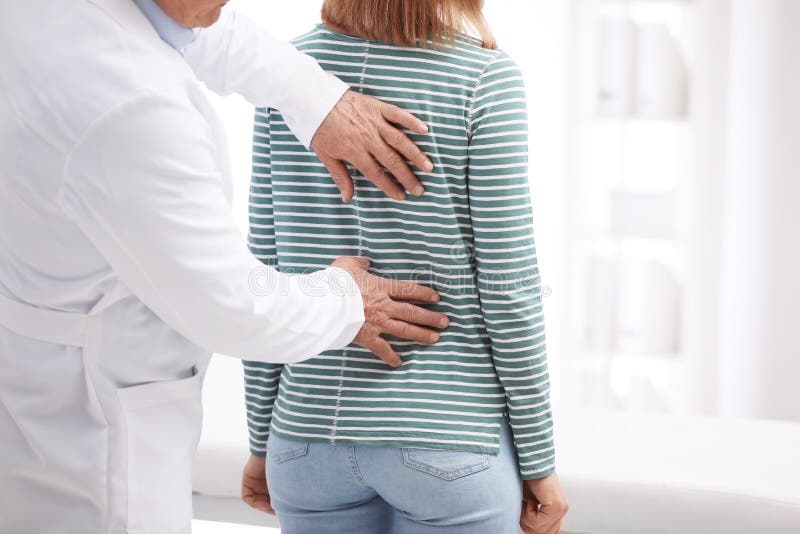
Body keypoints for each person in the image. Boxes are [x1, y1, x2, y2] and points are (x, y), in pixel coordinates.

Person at [0, 0, 450, 532]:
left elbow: (197, 27)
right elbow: (235, 304)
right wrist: (348, 298)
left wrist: (313, 97)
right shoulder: (127, 101)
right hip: (94, 449)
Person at [239, 1, 569, 533]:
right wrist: (539, 460)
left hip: (305, 440)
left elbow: (265, 267)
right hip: (449, 443)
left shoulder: (289, 70)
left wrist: (261, 436)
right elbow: (510, 288)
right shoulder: (484, 78)